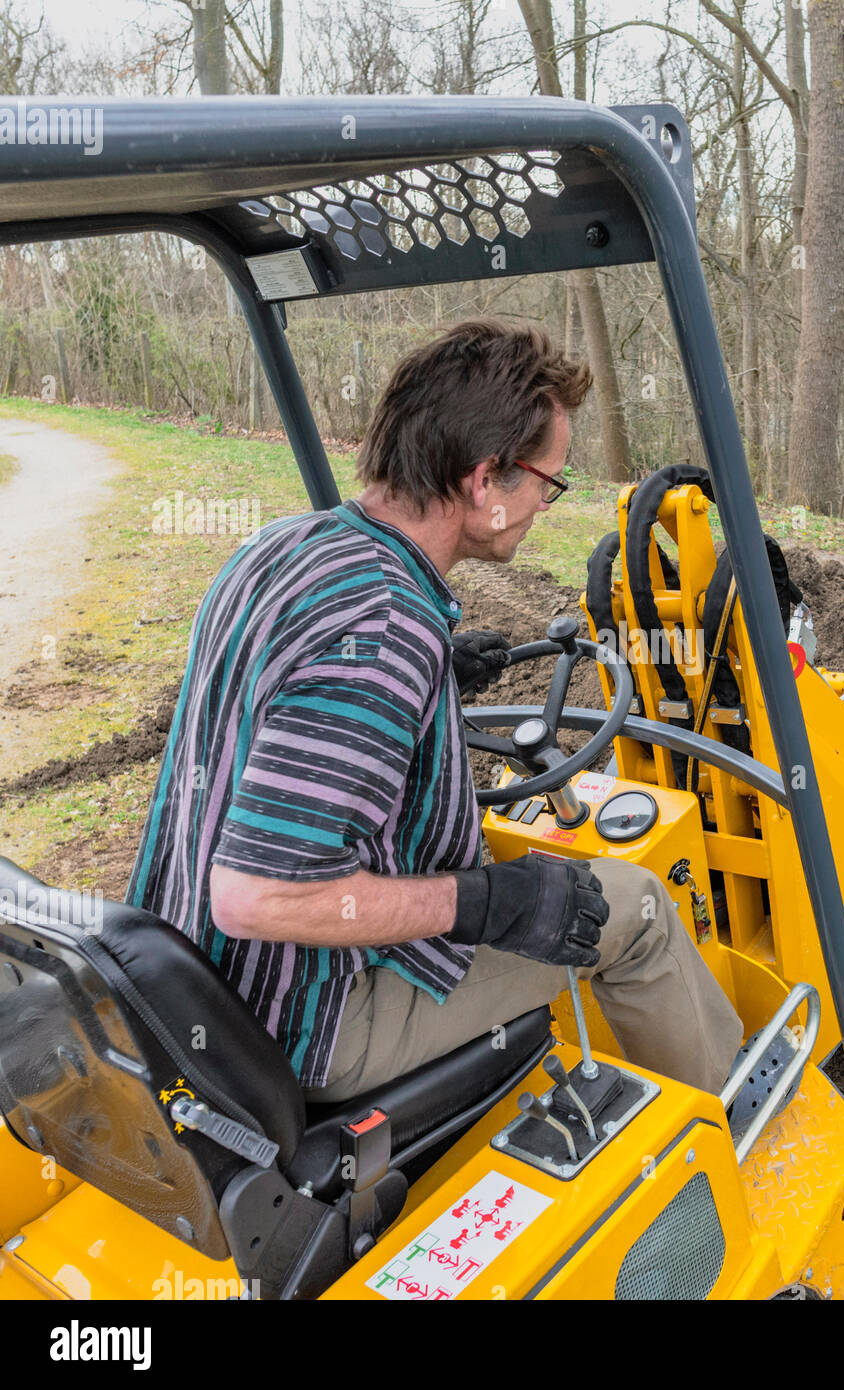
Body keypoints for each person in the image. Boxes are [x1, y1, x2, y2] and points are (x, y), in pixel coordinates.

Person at [127, 318, 743, 1102]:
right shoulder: (387, 627)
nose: (544, 507)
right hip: (308, 1023)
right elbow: (257, 895)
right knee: (636, 909)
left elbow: (286, 699)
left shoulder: (282, 547)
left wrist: (435, 676)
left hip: (192, 985)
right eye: (548, 483)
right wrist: (486, 902)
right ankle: (735, 1140)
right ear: (485, 481)